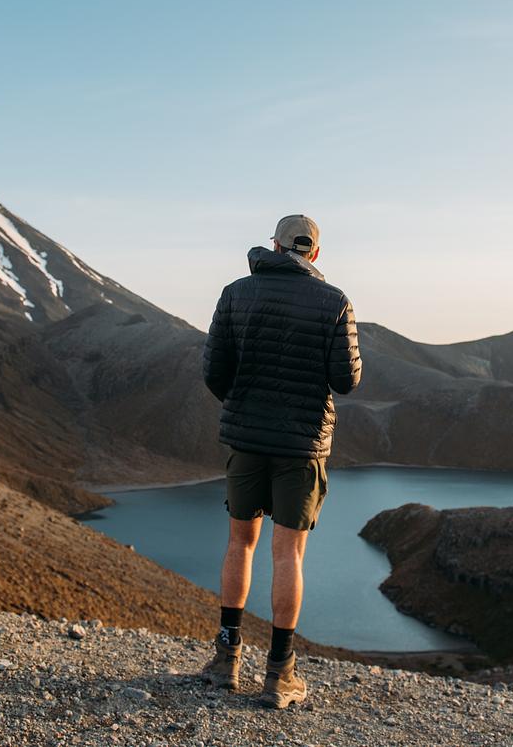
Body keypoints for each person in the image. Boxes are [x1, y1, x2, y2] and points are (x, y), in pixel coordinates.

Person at [199, 214, 362, 709]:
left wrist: (244, 404)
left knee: (239, 544)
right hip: (301, 445)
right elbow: (346, 380)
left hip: (247, 440)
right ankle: (279, 674)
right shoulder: (335, 302)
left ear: (274, 245)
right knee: (287, 554)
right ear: (314, 253)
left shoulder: (235, 293)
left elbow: (214, 370)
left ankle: (226, 661)